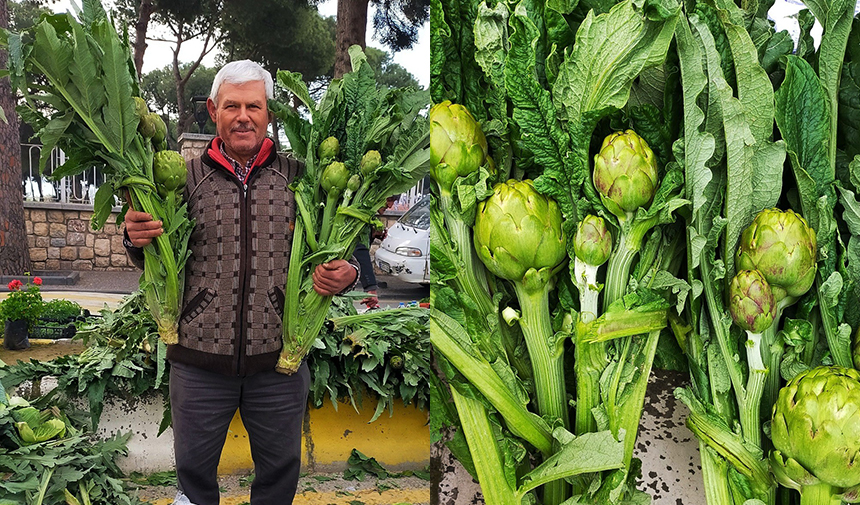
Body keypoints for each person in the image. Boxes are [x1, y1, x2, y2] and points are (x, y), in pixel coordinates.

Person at [122, 60, 359, 505]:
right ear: (214, 110)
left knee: (279, 476)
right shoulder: (184, 179)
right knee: (193, 476)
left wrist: (349, 274)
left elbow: (339, 251)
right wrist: (133, 239)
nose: (243, 117)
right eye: (232, 106)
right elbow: (151, 254)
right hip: (197, 363)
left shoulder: (301, 179)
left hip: (279, 363)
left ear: (269, 113)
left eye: (254, 106)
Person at [356, 195, 398, 309]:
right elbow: (359, 249)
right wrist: (370, 288)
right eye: (389, 200)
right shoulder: (359, 215)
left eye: (393, 201)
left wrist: (372, 235)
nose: (390, 206)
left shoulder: (368, 216)